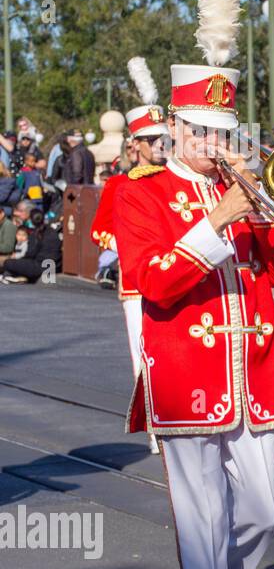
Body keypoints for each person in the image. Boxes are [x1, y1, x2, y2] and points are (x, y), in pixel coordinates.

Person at [114, 0, 274, 569]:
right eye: (202, 133)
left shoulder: (244, 189)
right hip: (185, 376)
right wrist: (217, 220)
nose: (215, 147)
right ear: (176, 128)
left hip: (253, 374)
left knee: (262, 513)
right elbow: (155, 283)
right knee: (201, 524)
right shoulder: (141, 193)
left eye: (224, 134)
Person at [92, 67, 169, 399]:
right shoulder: (119, 184)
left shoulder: (177, 179)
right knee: (143, 356)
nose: (160, 145)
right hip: (138, 280)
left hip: (178, 275)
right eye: (152, 140)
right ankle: (153, 419)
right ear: (135, 145)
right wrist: (131, 244)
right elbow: (99, 230)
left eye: (163, 138)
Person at [0, 203, 59, 283]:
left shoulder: (37, 234)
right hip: (49, 266)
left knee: (8, 263)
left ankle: (18, 277)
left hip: (40, 266)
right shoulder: (50, 231)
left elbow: (30, 253)